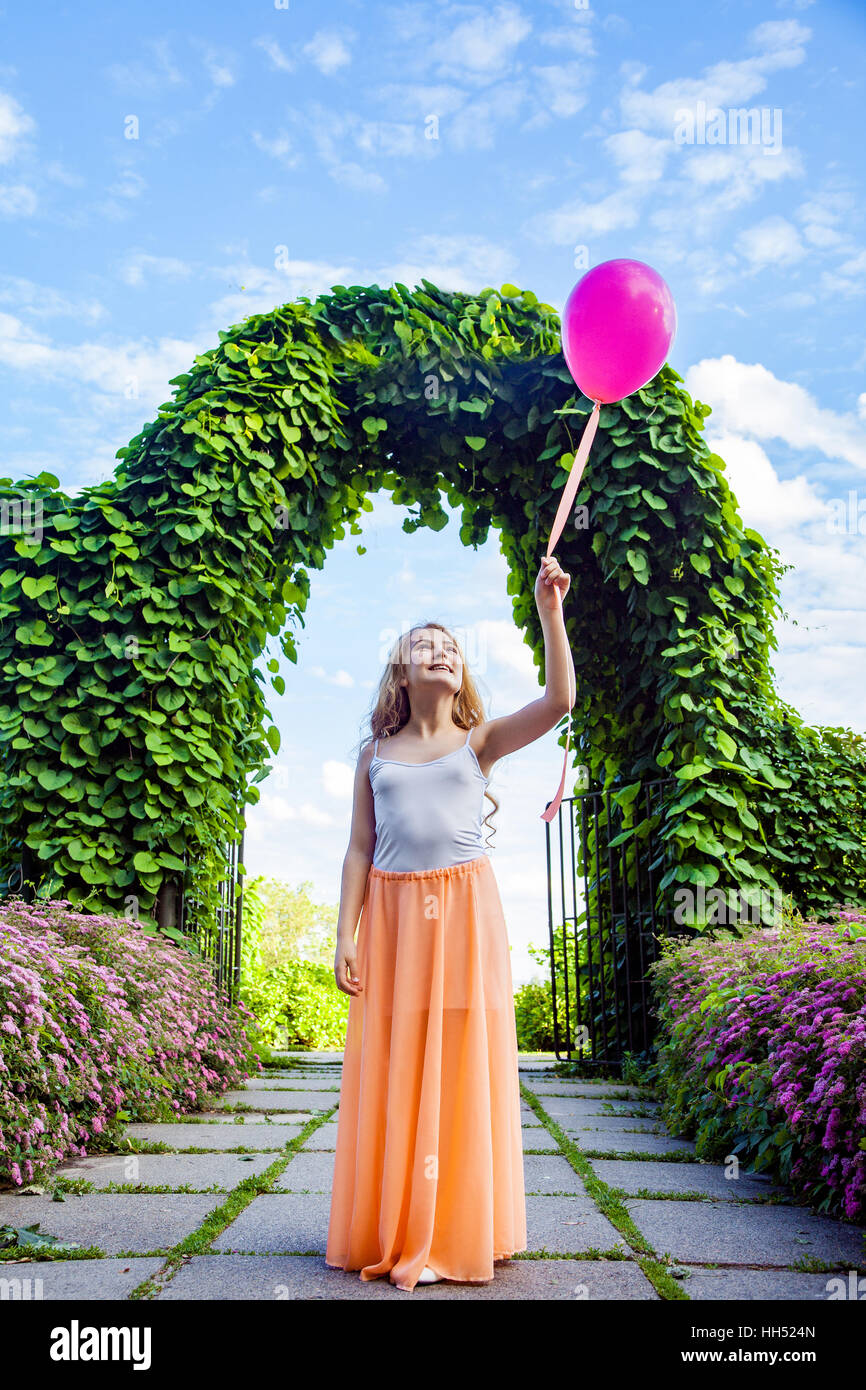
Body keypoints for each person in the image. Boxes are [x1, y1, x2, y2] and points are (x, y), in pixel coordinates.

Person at [325, 554, 574, 1291]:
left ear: (460, 674)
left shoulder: (481, 742)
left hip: (464, 918)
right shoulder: (374, 756)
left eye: (451, 647)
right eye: (423, 645)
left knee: (461, 1070)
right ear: (400, 674)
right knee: (399, 1073)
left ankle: (456, 1229)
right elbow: (359, 850)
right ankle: (400, 1225)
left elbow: (560, 700)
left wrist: (549, 608)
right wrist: (345, 934)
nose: (440, 651)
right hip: (397, 921)